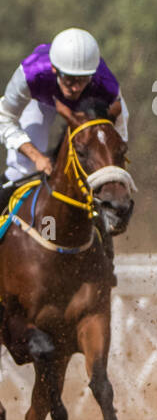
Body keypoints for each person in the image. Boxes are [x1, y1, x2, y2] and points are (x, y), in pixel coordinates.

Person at [0, 28, 130, 269]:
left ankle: (103, 249)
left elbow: (119, 133)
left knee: (95, 176)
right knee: (21, 169)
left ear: (92, 74)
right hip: (39, 101)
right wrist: (36, 155)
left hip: (85, 112)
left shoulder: (106, 84)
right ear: (54, 70)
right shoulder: (31, 74)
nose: (75, 87)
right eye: (69, 79)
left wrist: (113, 171)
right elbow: (4, 117)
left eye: (82, 80)